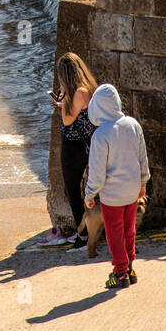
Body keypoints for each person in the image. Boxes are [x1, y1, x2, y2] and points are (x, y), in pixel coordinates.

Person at [84, 85, 149, 289]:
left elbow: (97, 171)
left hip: (112, 194)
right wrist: (143, 182)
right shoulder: (132, 124)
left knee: (115, 232)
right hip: (132, 189)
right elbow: (142, 158)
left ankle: (120, 273)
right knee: (129, 229)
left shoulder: (100, 135)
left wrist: (90, 193)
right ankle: (129, 267)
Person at [50, 54, 98, 248]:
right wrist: (63, 103)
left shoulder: (78, 92)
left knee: (72, 190)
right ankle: (90, 229)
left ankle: (84, 235)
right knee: (81, 189)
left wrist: (64, 100)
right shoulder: (88, 88)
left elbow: (68, 120)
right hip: (86, 143)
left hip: (75, 145)